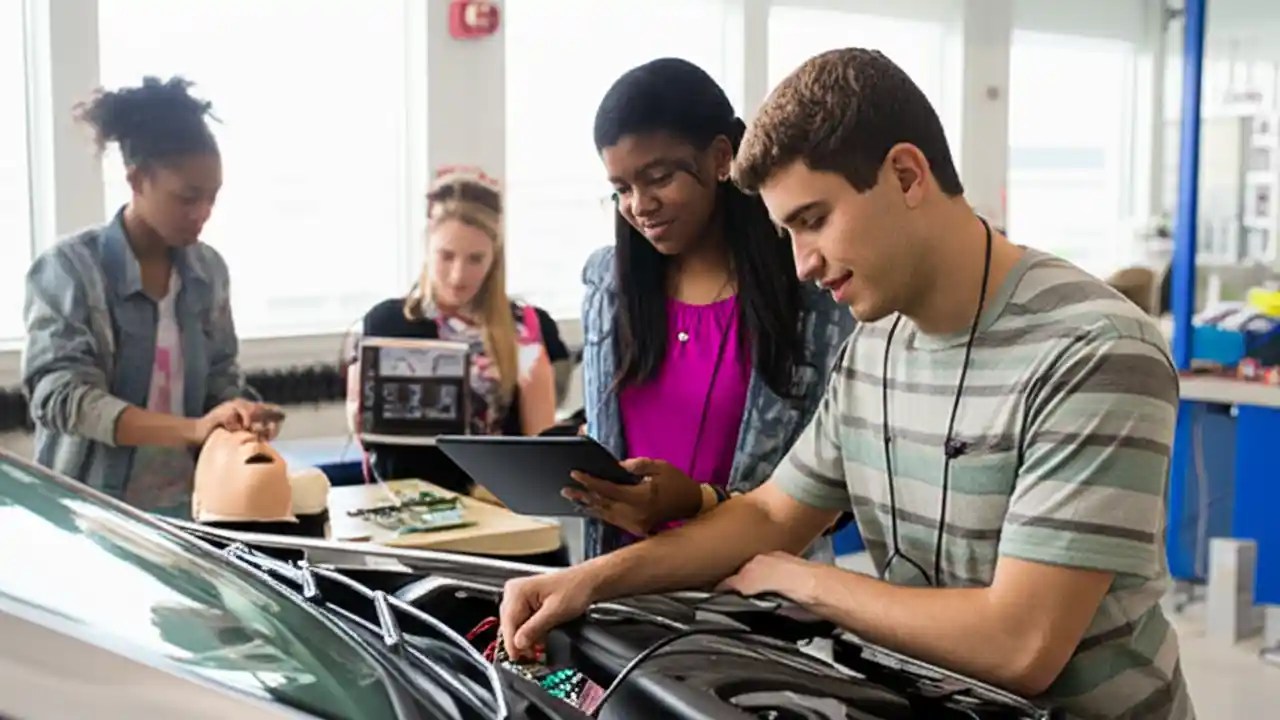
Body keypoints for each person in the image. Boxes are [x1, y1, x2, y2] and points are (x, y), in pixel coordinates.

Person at [499, 49, 1193, 719]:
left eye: (813, 221)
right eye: (786, 231)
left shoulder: (1093, 350)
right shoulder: (878, 345)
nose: (802, 264)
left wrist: (804, 581)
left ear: (906, 175)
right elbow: (771, 514)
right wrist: (581, 583)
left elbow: (1021, 644)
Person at [568, 57, 855, 559]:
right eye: (622, 189)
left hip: (750, 610)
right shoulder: (608, 286)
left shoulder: (812, 298)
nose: (639, 205)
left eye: (657, 178)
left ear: (722, 157)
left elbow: (835, 494)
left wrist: (701, 502)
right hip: (617, 600)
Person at [22, 76, 277, 518]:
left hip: (193, 511)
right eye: (187, 197)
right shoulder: (69, 270)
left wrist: (238, 411)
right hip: (92, 516)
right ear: (137, 180)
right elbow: (63, 397)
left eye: (212, 198)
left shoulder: (208, 272)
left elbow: (219, 380)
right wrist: (192, 429)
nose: (202, 214)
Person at [355, 166, 568, 496]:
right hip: (405, 511)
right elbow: (365, 438)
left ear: (494, 258)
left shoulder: (526, 328)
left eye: (475, 259)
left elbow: (540, 456)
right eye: (446, 256)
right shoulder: (384, 323)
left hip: (500, 512)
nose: (458, 275)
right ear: (427, 248)